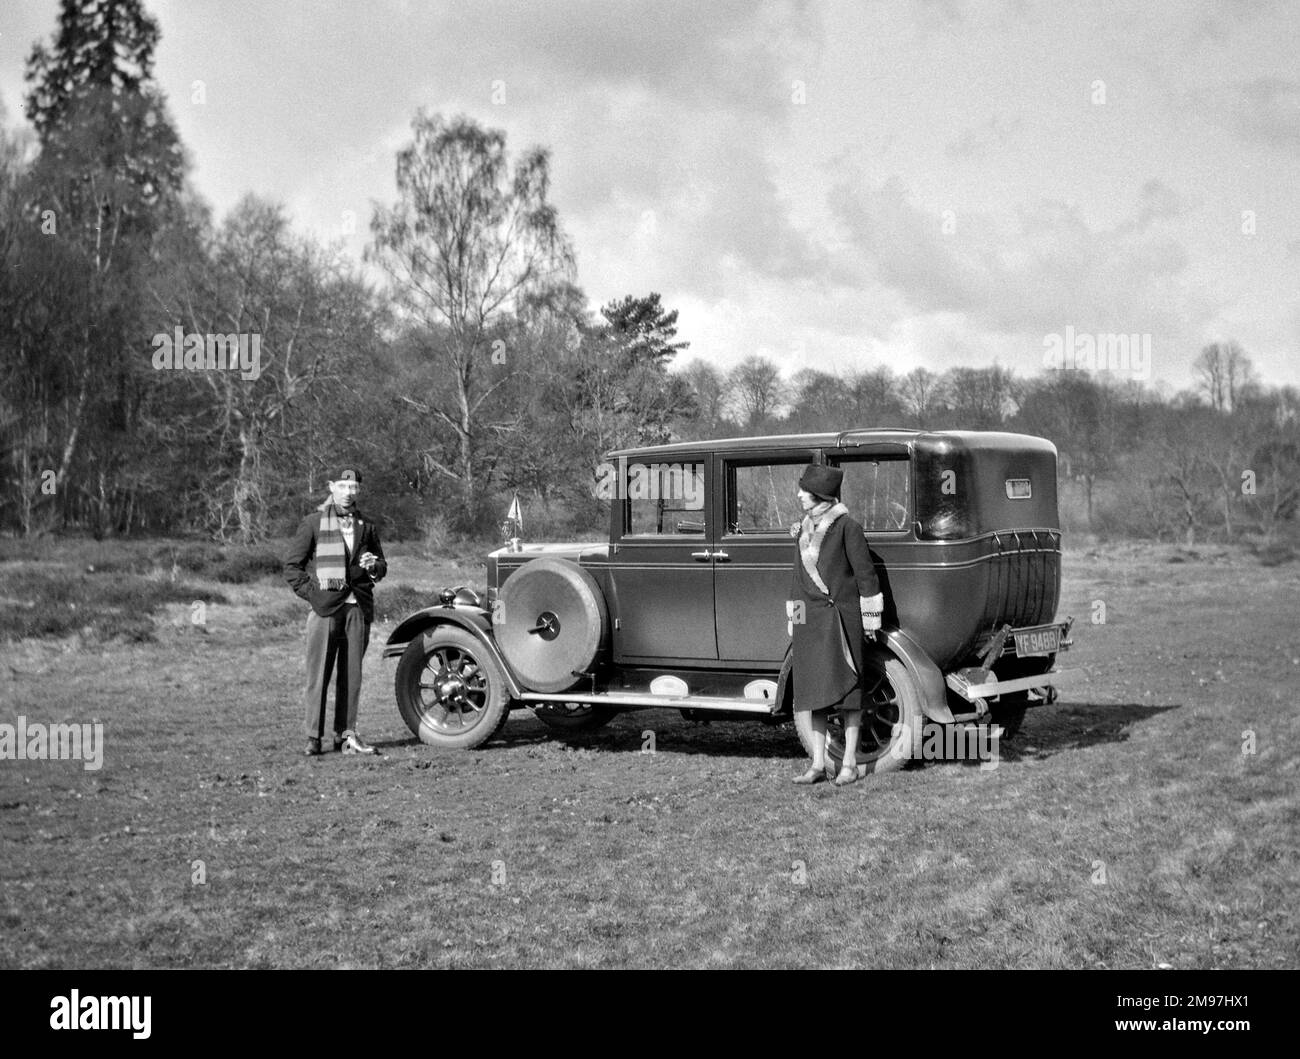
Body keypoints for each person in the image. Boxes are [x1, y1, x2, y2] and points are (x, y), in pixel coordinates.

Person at [787, 464, 884, 786]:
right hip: (810, 622)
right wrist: (796, 619)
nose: (799, 495)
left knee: (849, 696)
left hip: (842, 620)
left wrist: (871, 617)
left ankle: (850, 765)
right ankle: (817, 764)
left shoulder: (848, 527)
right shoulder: (802, 529)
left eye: (804, 491)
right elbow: (798, 581)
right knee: (812, 693)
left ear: (820, 497)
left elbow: (866, 575)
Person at [283, 467, 388, 757]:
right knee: (318, 675)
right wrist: (314, 596)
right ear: (331, 487)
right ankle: (313, 737)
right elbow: (292, 567)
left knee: (351, 676)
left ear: (358, 490)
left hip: (358, 609)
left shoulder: (367, 525)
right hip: (325, 610)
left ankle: (344, 735)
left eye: (353, 487)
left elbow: (382, 567)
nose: (348, 492)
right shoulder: (313, 522)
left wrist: (373, 566)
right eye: (343, 486)